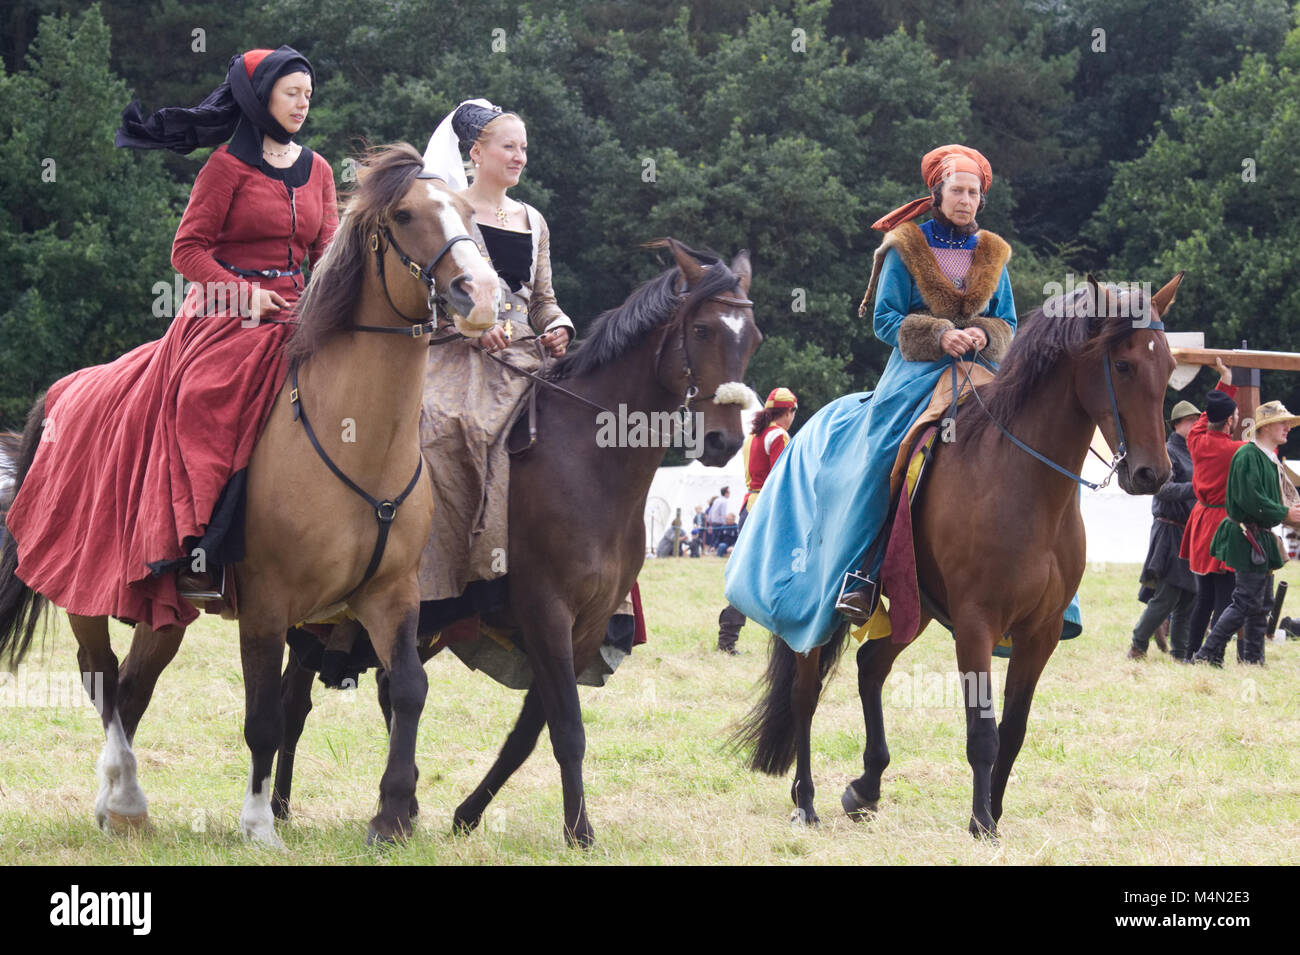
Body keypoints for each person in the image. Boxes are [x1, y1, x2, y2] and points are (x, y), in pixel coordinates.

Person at [4, 47, 337, 629]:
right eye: (292, 93)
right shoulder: (225, 169)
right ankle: (198, 554)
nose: (303, 103)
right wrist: (242, 294)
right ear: (261, 99)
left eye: (308, 93)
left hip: (296, 313)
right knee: (203, 401)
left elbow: (326, 252)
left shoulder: (321, 171)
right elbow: (186, 251)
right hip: (221, 315)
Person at [725, 144, 1016, 654]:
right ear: (937, 193)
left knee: (1034, 434)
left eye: (974, 192)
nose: (966, 199)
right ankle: (859, 574)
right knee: (883, 456)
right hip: (914, 376)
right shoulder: (905, 248)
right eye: (957, 190)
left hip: (981, 373)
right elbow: (884, 320)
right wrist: (940, 335)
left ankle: (1047, 583)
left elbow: (1009, 321)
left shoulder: (995, 252)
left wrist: (984, 336)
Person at [417, 99, 573, 604]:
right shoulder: (449, 209)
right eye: (509, 146)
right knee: (456, 425)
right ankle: (456, 579)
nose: (519, 156)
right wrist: (473, 328)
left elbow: (543, 300)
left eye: (524, 148)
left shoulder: (534, 219)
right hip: (459, 353)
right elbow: (429, 296)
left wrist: (559, 329)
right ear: (477, 151)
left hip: (529, 356)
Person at [1193, 400, 1300, 666]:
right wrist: (1285, 514)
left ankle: (1253, 661)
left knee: (1261, 605)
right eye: (1282, 422)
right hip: (1245, 536)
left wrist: (1287, 511)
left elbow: (1274, 498)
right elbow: (1251, 499)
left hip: (1260, 537)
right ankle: (1205, 654)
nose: (1288, 427)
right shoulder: (1248, 456)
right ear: (1265, 428)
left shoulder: (1269, 457)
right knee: (1244, 601)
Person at [717, 386, 797, 653]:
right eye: (793, 413)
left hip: (749, 505)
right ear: (788, 412)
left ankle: (728, 637)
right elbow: (782, 478)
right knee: (773, 573)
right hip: (768, 509)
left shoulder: (753, 436)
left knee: (749, 573)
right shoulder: (779, 436)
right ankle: (787, 637)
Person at [1128, 400, 1199, 659]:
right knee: (1168, 595)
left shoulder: (1193, 453)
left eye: (1197, 420)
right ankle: (1138, 644)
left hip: (1188, 531)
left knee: (1190, 595)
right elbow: (1164, 490)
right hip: (1169, 531)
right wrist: (1198, 488)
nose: (1195, 425)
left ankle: (1180, 654)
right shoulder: (1168, 452)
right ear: (1178, 424)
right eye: (1191, 420)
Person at [1180, 363, 1242, 659]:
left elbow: (1208, 415)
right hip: (1223, 525)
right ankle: (1213, 654)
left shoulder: (1195, 439)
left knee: (1204, 596)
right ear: (1230, 421)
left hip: (1202, 521)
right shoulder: (1237, 451)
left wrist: (1225, 384)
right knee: (1225, 596)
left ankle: (1193, 651)